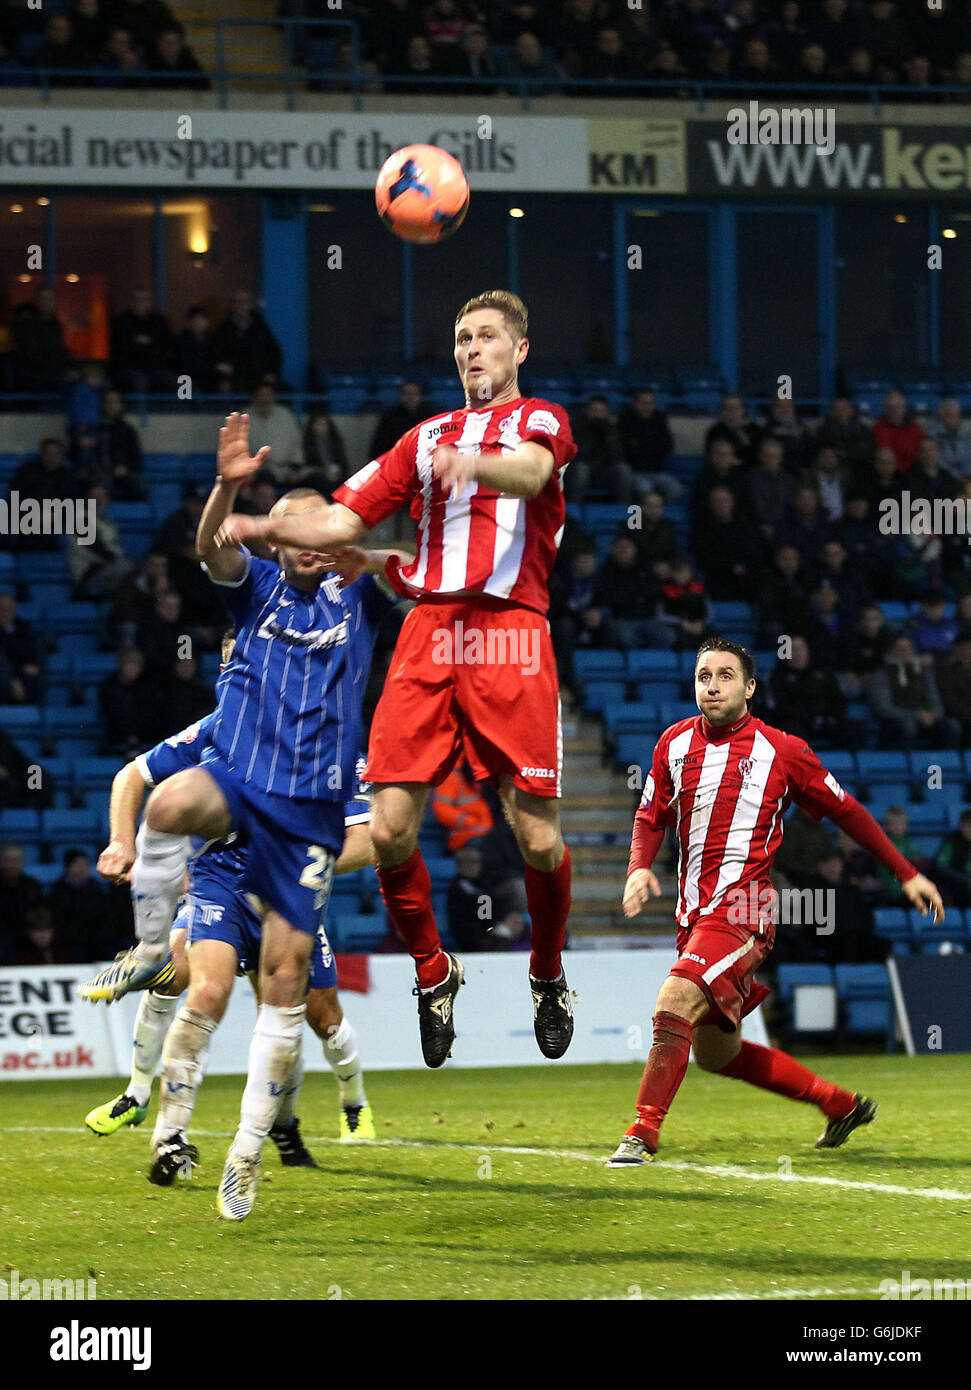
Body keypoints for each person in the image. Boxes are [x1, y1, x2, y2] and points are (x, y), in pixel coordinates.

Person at [215, 290, 579, 1070]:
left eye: (486, 337)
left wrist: (470, 463)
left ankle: (546, 972)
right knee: (384, 829)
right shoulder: (423, 438)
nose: (471, 349)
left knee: (537, 839)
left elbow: (530, 473)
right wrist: (260, 524)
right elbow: (343, 521)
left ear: (519, 349)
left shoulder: (540, 419)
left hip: (510, 631)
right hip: (428, 632)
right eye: (460, 338)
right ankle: (432, 971)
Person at [82, 416, 406, 1220]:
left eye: (314, 530)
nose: (300, 543)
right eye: (286, 530)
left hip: (309, 818)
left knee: (290, 990)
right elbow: (211, 549)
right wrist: (228, 487)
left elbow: (412, 569)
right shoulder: (256, 587)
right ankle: (154, 952)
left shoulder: (355, 594)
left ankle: (247, 1151)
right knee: (168, 800)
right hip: (243, 794)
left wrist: (366, 545)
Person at [608, 637, 944, 1166]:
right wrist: (638, 868)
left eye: (724, 675)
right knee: (718, 1054)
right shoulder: (672, 743)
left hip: (743, 912)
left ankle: (641, 1134)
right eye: (703, 676)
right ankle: (838, 1104)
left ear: (749, 686)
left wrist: (906, 873)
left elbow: (847, 811)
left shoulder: (782, 751)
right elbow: (651, 815)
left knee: (673, 1003)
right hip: (694, 916)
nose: (712, 686)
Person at [84, 646, 378, 1170]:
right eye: (229, 662)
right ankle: (162, 1128)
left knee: (309, 1015)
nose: (235, 672)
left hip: (287, 897)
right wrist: (122, 842)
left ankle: (321, 1114)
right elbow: (133, 776)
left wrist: (304, 869)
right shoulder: (218, 729)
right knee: (197, 986)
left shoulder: (329, 744)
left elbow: (370, 840)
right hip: (219, 886)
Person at [0, 591, 42, 704]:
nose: (6, 613)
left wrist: (36, 666)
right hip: (5, 677)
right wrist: (11, 680)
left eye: (9, 609)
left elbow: (35, 653)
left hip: (25, 678)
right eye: (3, 609)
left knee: (34, 677)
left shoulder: (25, 629)